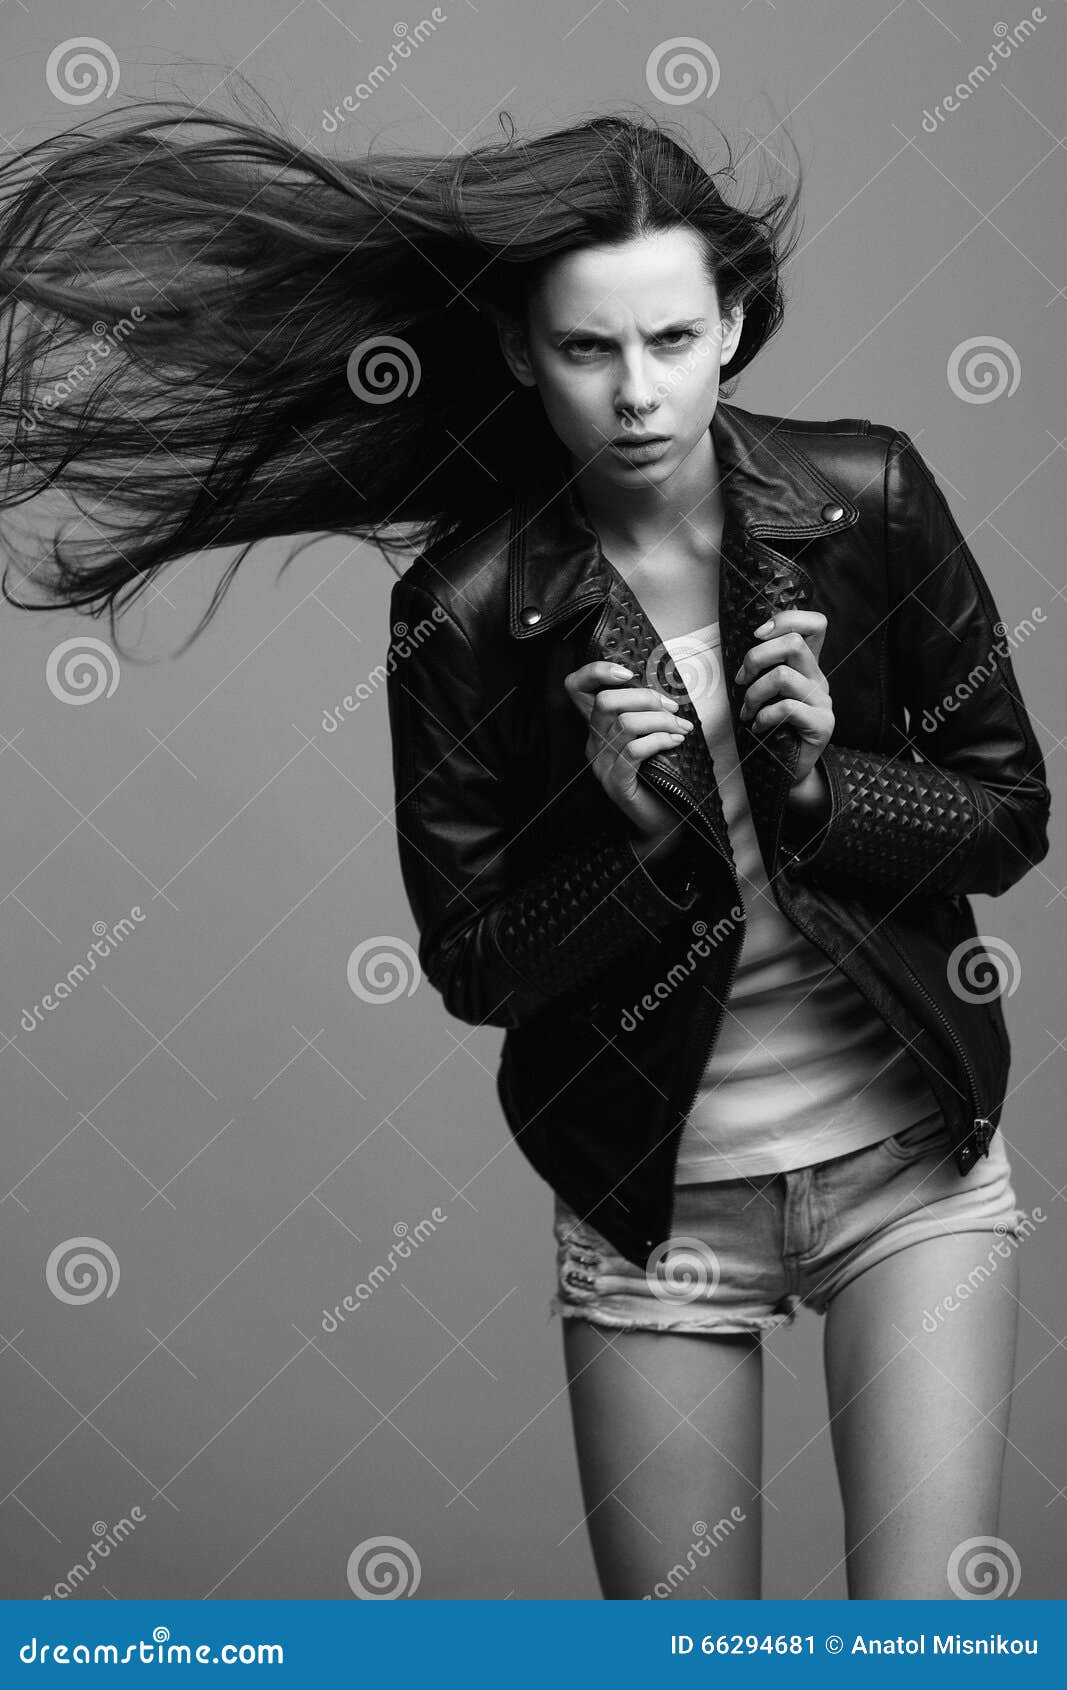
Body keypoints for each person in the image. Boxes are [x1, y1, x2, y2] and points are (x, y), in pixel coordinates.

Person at [0, 101, 1050, 1601]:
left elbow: (1011, 809)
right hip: (652, 1213)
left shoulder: (865, 495)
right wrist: (639, 838)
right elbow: (475, 961)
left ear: (736, 320)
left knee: (927, 1647)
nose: (638, 393)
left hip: (909, 1177)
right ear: (517, 350)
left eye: (674, 340)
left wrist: (825, 790)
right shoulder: (470, 603)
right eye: (588, 350)